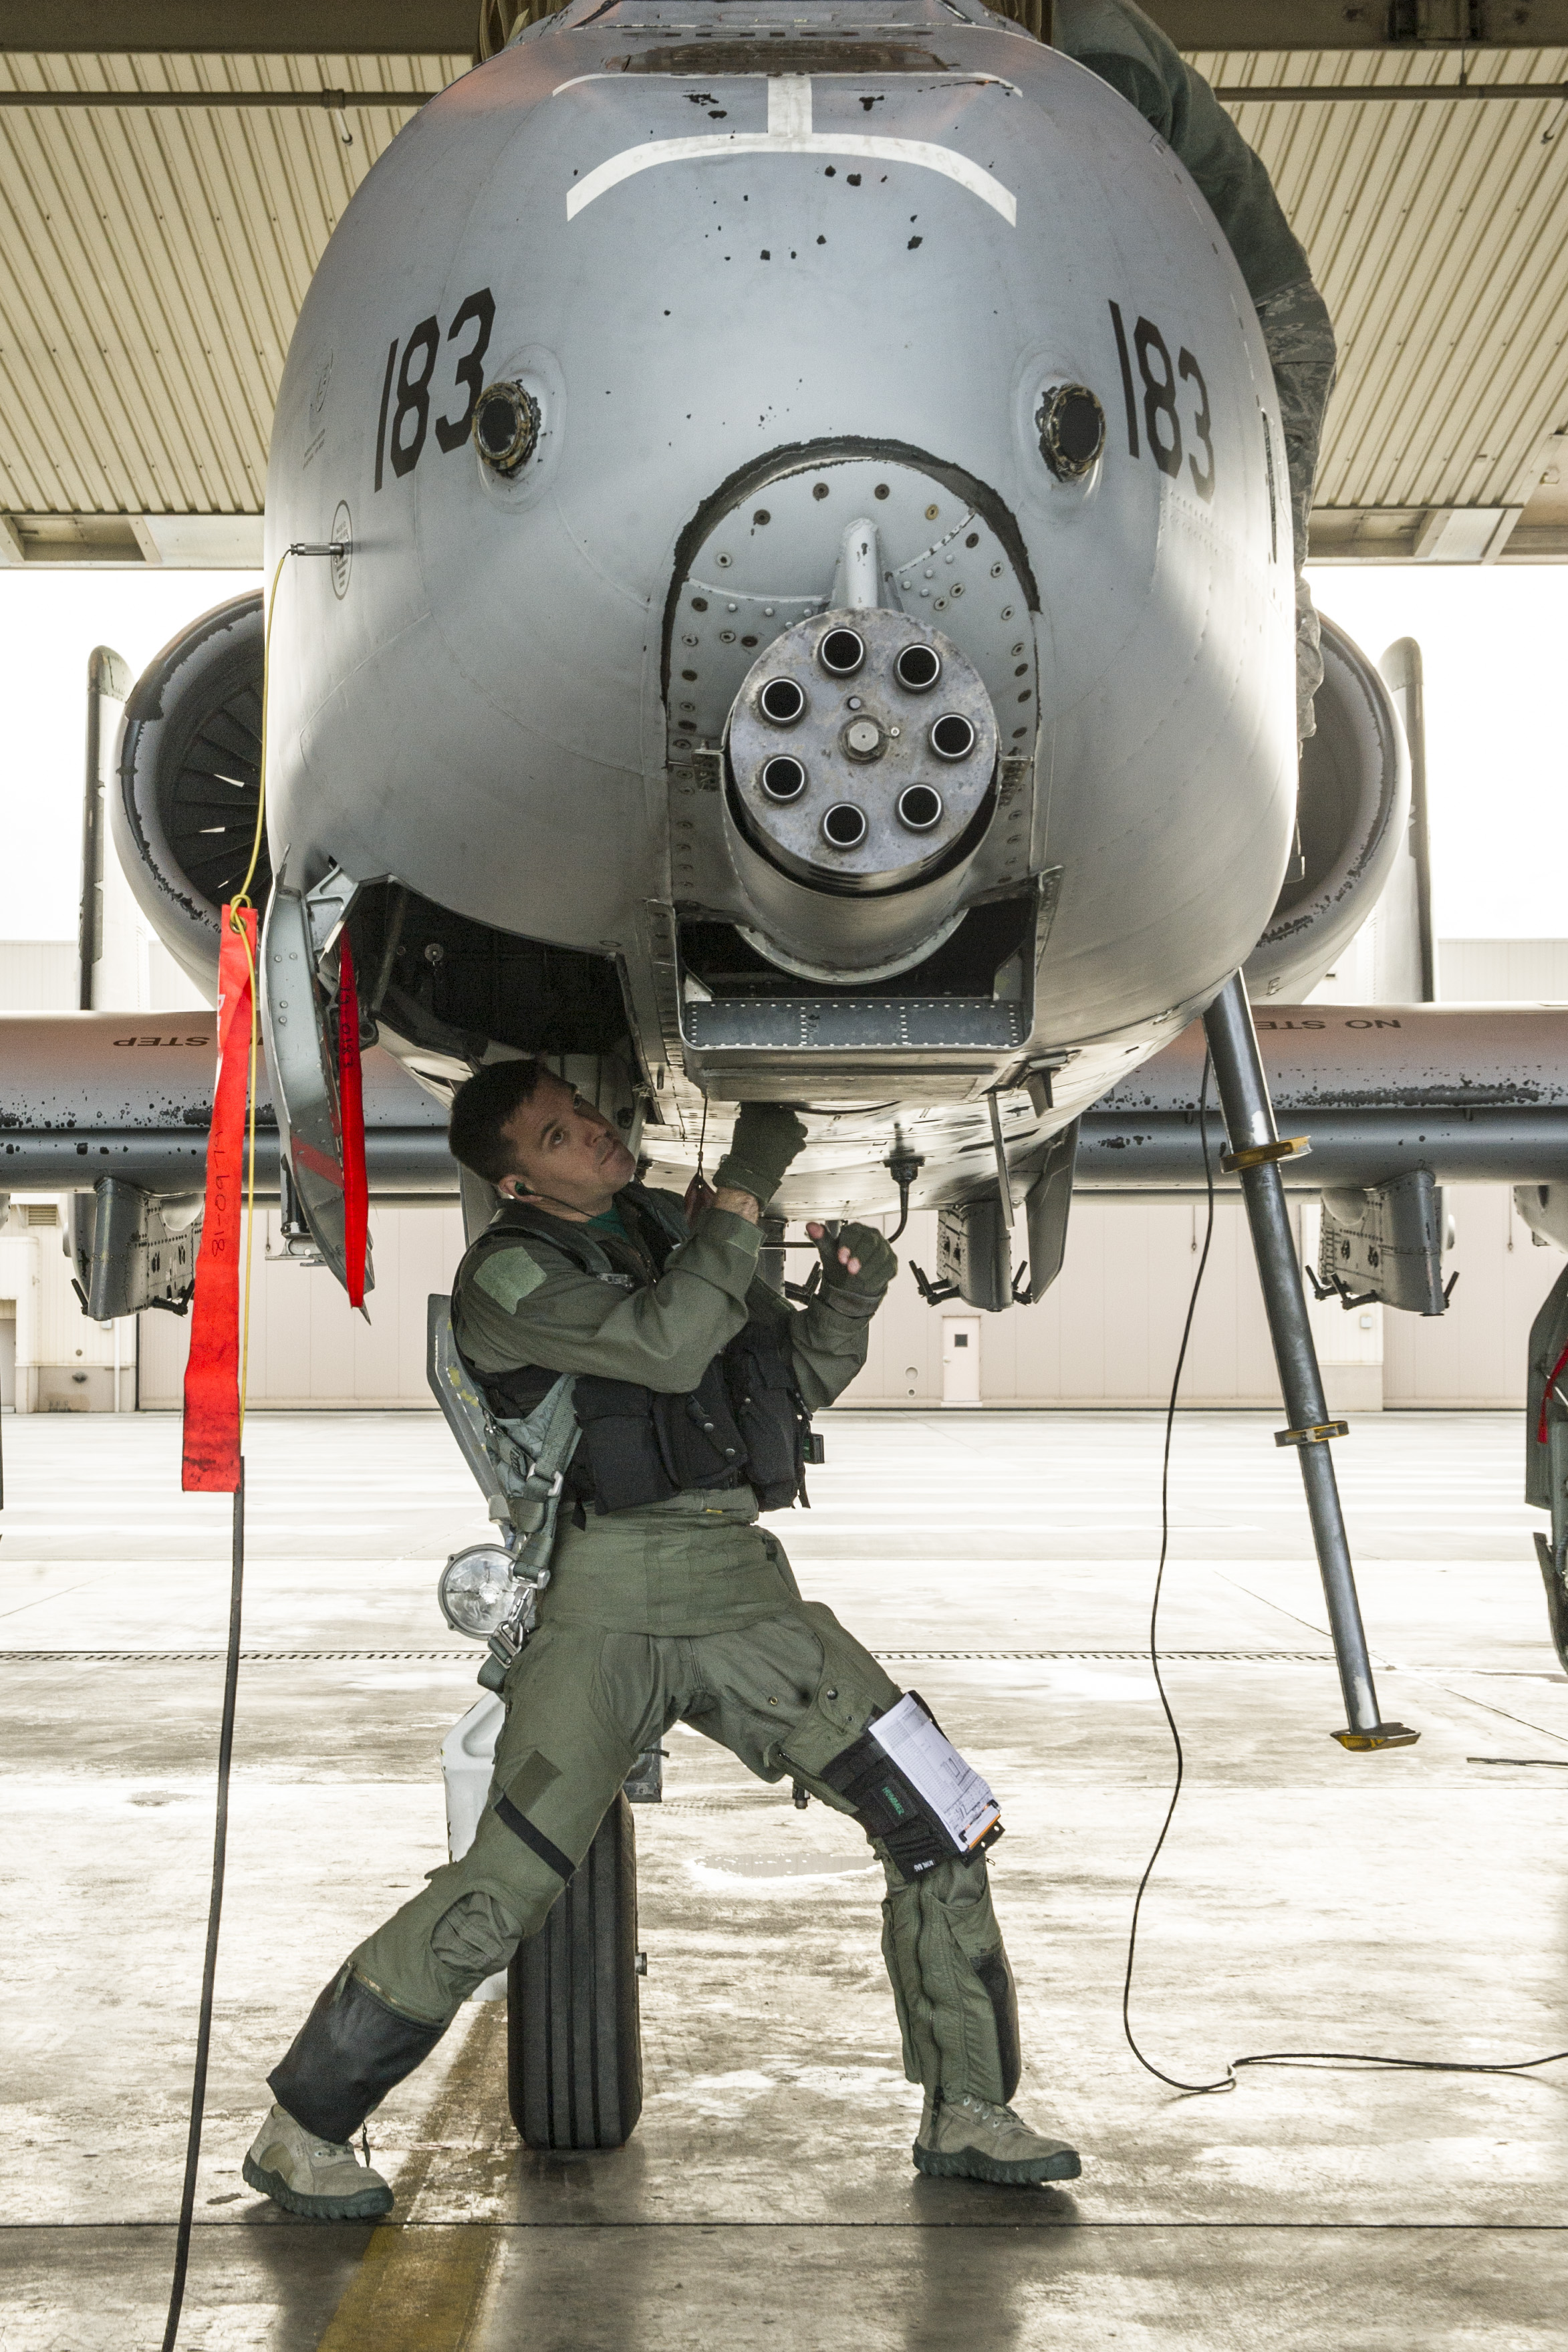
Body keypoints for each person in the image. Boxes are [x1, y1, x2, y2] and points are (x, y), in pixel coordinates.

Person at [243, 1063, 1081, 2217]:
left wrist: (848, 1295)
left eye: (583, 1114)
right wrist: (745, 1184)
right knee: (503, 1886)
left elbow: (782, 1383)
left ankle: (970, 2105)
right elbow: (671, 1346)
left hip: (744, 1592)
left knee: (942, 1816)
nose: (588, 1133)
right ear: (512, 1178)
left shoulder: (660, 1230)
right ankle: (303, 2127)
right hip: (605, 1605)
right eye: (555, 1133)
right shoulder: (511, 1274)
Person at [1056, 0, 1337, 741]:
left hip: (1261, 331)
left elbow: (1097, 226)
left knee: (1263, 551)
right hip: (1201, 307)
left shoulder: (1092, 53)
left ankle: (1285, 733)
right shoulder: (1057, 35)